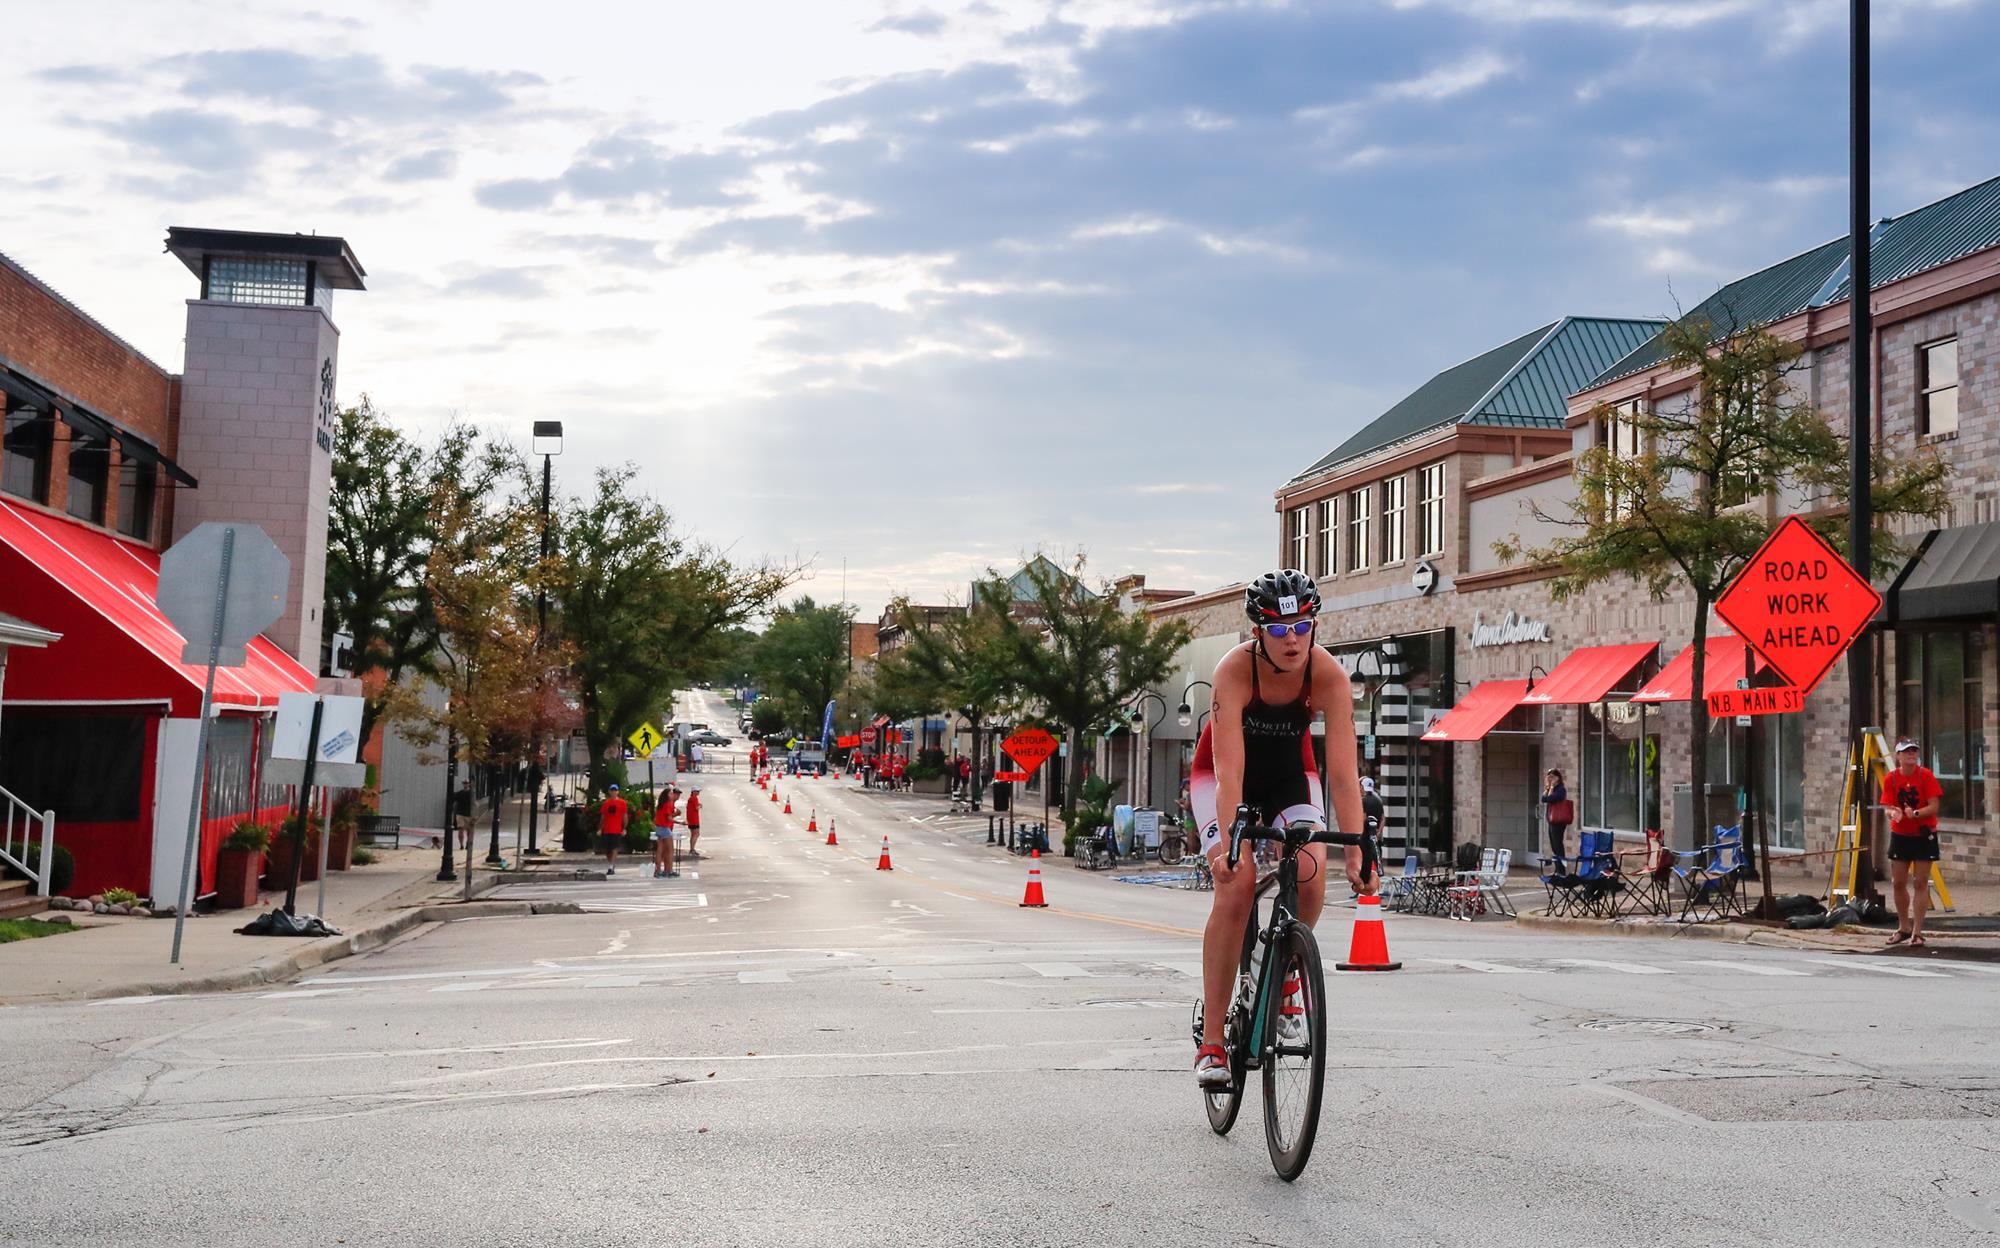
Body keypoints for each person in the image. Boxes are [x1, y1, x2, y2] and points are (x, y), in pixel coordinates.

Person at [1193, 569, 1369, 1089]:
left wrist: (1359, 850)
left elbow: (1340, 769)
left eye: (1301, 624)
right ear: (1257, 634)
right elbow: (1229, 772)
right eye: (1276, 629)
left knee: (1313, 869)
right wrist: (1229, 846)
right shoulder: (1233, 672)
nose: (1291, 638)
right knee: (1237, 885)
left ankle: (1285, 972)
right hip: (1226, 777)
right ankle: (1212, 1045)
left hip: (1292, 776)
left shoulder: (1329, 676)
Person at [1881, 737, 1942, 947]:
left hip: (1924, 835)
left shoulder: (1926, 776)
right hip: (1901, 835)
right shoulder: (1891, 779)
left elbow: (1934, 806)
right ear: (1898, 756)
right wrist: (1893, 813)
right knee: (1898, 882)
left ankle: (1918, 932)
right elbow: (1887, 806)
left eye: (1914, 751)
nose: (1911, 754)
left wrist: (1915, 813)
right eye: (1906, 751)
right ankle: (1903, 927)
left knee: (1920, 882)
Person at [1541, 768, 1573, 872]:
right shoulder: (1551, 788)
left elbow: (1551, 799)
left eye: (1553, 777)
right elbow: (1543, 799)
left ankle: (1561, 869)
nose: (1551, 779)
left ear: (1558, 778)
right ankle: (1558, 868)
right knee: (1554, 845)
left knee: (1558, 844)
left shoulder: (1560, 789)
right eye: (1549, 777)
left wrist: (1552, 788)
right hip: (1551, 820)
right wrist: (1548, 787)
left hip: (1558, 821)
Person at [1358, 776, 1385, 894]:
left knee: (1366, 862)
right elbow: (1383, 818)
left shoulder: (1363, 800)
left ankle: (1363, 886)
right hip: (1376, 836)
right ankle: (1378, 886)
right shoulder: (1378, 799)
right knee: (1377, 859)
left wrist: (1360, 832)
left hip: (1366, 836)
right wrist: (1379, 831)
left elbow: (1363, 817)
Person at [599, 783, 629, 876]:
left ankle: (611, 865)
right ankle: (610, 863)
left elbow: (625, 816)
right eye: (612, 790)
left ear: (618, 792)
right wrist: (600, 828)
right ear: (609, 792)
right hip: (607, 829)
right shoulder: (606, 803)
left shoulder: (622, 803)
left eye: (615, 790)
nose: (613, 792)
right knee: (607, 849)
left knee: (614, 848)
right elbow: (603, 817)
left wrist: (624, 828)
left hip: (616, 829)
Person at [653, 785, 680, 878]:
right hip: (665, 828)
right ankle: (669, 870)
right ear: (667, 795)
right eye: (670, 793)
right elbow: (669, 818)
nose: (672, 795)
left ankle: (657, 870)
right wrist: (680, 822)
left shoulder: (661, 804)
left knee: (660, 850)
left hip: (659, 827)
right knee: (670, 851)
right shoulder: (668, 804)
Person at [453, 778, 475, 852]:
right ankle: (461, 845)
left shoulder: (472, 794)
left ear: (469, 784)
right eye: (464, 783)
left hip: (469, 814)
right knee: (461, 830)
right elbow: (454, 800)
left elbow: (474, 804)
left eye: (467, 783)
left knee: (469, 831)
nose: (465, 784)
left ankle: (467, 843)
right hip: (460, 814)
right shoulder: (459, 793)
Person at [685, 784, 702, 857]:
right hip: (694, 819)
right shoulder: (694, 798)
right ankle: (692, 849)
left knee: (693, 834)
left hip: (690, 818)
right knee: (696, 834)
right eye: (697, 791)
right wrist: (700, 806)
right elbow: (696, 808)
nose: (698, 793)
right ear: (694, 791)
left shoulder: (691, 798)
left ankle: (692, 849)